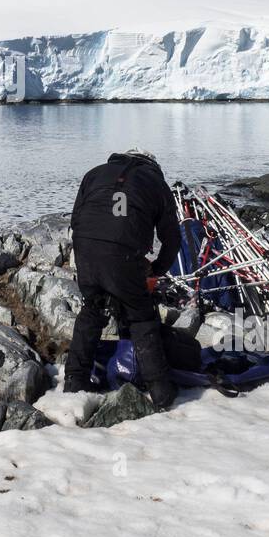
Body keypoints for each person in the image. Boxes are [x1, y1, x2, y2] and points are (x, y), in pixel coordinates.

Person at [64, 148, 182, 408]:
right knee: (141, 315)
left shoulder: (94, 174)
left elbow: (75, 218)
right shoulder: (156, 183)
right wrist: (158, 268)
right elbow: (172, 237)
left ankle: (74, 380)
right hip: (123, 253)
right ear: (152, 164)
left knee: (92, 309)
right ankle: (161, 391)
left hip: (85, 247)